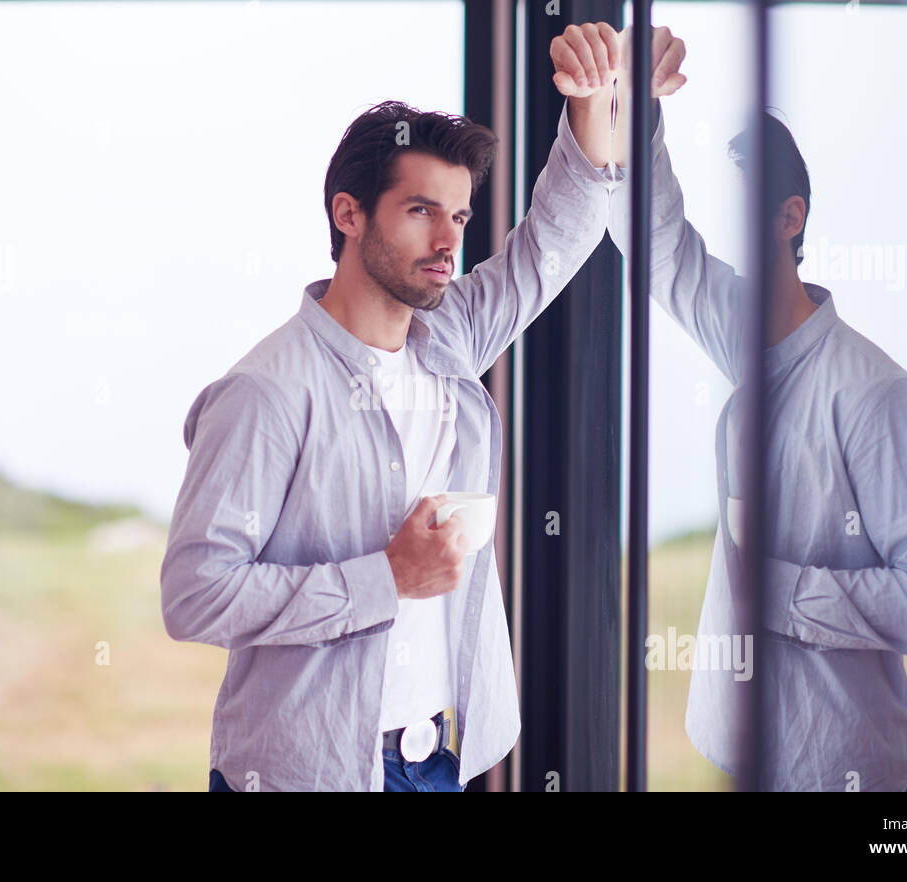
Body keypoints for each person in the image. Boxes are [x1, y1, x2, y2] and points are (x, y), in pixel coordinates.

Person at [161, 22, 687, 791]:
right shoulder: (267, 392)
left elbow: (553, 244)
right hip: (307, 775)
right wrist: (387, 575)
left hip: (436, 759)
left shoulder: (448, 338)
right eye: (420, 212)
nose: (449, 241)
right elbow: (197, 595)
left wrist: (595, 104)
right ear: (349, 214)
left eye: (461, 217)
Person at [608, 81, 907, 791]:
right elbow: (661, 249)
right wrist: (634, 114)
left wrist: (780, 593)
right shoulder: (749, 337)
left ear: (789, 218)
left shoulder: (881, 397)